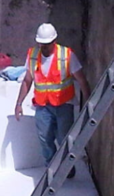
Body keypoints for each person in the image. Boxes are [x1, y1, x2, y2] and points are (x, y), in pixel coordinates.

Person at [13, 23, 91, 169]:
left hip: (63, 105)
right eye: (41, 44)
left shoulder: (66, 55)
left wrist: (88, 104)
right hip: (42, 106)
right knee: (45, 140)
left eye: (47, 44)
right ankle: (52, 169)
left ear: (54, 41)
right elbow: (27, 80)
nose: (44, 48)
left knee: (64, 139)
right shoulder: (33, 55)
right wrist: (19, 104)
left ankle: (67, 169)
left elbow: (82, 80)